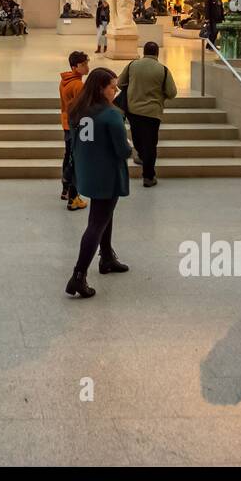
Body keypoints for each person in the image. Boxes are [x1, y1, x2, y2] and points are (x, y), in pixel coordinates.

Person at [64, 67, 132, 299]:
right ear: (101, 88)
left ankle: (107, 256)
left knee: (105, 214)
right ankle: (78, 276)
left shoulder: (78, 110)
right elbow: (122, 150)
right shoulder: (111, 115)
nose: (115, 90)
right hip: (107, 174)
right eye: (112, 86)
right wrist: (130, 146)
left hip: (87, 171)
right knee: (96, 223)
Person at [118, 40, 178, 187]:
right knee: (151, 143)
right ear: (157, 53)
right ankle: (148, 176)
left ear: (143, 52)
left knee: (137, 136)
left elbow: (120, 83)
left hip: (133, 109)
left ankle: (140, 154)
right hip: (152, 112)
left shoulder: (133, 65)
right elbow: (172, 92)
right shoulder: (163, 70)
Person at [58, 51, 89, 212]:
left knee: (68, 155)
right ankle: (73, 196)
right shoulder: (78, 85)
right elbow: (83, 108)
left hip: (66, 122)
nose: (87, 67)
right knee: (75, 159)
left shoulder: (65, 81)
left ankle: (65, 188)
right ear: (74, 67)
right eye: (83, 65)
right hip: (75, 125)